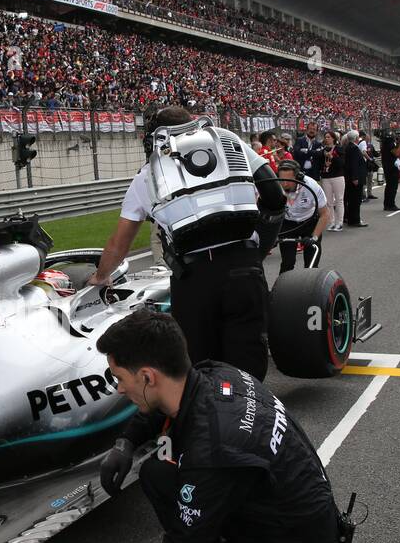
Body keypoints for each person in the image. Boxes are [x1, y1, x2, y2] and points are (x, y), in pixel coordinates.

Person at [67, 310, 353, 543]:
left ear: (148, 376)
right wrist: (127, 441)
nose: (119, 388)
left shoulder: (214, 449)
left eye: (120, 378)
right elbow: (163, 408)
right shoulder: (218, 374)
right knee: (155, 473)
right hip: (287, 519)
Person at [84, 106, 285, 380]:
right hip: (243, 266)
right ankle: (248, 416)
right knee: (248, 362)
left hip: (193, 277)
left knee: (200, 368)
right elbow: (275, 196)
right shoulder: (228, 142)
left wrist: (100, 275)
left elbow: (120, 243)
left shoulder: (147, 175)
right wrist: (259, 244)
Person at [275, 160, 329, 274]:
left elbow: (324, 214)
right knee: (287, 263)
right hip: (288, 223)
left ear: (298, 177)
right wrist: (271, 236)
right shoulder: (275, 186)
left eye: (288, 181)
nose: (284, 184)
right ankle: (282, 289)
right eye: (281, 180)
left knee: (311, 265)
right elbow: (268, 212)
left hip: (309, 222)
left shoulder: (312, 186)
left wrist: (314, 237)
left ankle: (310, 288)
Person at [319, 131, 346, 232]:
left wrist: (333, 157)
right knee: (328, 201)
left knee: (339, 199)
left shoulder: (339, 149)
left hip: (337, 176)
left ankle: (339, 222)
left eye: (329, 137)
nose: (326, 139)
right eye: (325, 137)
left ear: (333, 138)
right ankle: (331, 222)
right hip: (326, 176)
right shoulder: (323, 150)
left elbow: (342, 163)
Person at [342, 130, 368, 226]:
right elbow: (354, 165)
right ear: (357, 138)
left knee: (353, 199)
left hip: (351, 178)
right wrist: (355, 178)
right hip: (355, 179)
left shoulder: (350, 147)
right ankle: (355, 220)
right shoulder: (353, 148)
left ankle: (352, 218)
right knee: (355, 200)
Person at [380, 127, 400, 212]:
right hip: (391, 167)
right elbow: (396, 153)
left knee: (389, 186)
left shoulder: (385, 142)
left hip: (388, 166)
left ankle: (387, 204)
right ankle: (391, 204)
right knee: (392, 186)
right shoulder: (389, 142)